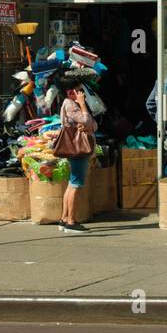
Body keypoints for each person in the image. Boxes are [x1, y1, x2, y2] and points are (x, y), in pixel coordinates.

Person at [59, 86, 97, 234]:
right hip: (77, 149)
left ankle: (64, 218)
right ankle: (71, 221)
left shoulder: (71, 104)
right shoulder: (71, 104)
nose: (81, 93)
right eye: (78, 90)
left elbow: (93, 124)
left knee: (71, 184)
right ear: (71, 92)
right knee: (75, 184)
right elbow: (86, 120)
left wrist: (89, 126)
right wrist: (82, 104)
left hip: (75, 148)